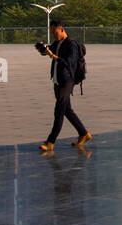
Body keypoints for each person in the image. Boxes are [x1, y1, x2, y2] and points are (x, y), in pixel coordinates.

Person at [38, 19, 91, 150]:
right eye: (51, 33)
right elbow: (48, 52)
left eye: (55, 32)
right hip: (57, 80)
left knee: (59, 109)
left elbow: (69, 63)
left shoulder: (71, 44)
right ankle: (84, 133)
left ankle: (50, 142)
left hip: (67, 81)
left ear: (62, 29)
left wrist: (54, 56)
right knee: (67, 110)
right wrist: (42, 48)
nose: (53, 35)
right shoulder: (57, 43)